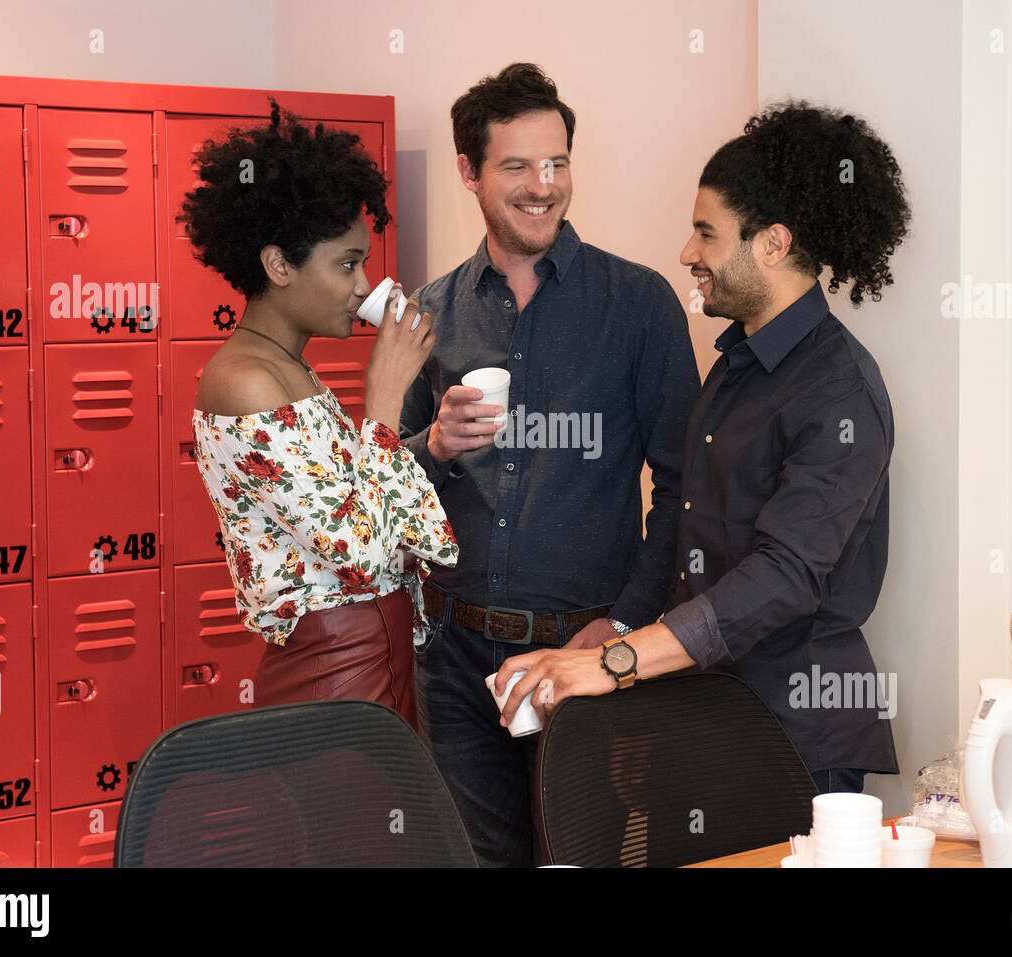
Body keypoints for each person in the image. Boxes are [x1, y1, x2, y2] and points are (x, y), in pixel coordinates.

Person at [494, 101, 912, 796]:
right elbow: (688, 524)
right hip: (707, 715)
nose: (688, 253)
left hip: (795, 734)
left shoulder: (840, 391)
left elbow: (782, 575)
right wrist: (621, 633)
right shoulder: (734, 366)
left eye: (705, 233)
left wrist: (622, 660)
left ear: (773, 244)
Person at [399, 64, 701, 866]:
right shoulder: (428, 312)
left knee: (581, 857)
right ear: (469, 171)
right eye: (517, 166)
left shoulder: (639, 305)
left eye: (557, 163)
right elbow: (382, 487)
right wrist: (431, 446)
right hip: (457, 663)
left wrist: (625, 623)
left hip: (584, 653)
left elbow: (684, 487)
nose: (544, 186)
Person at [185, 99, 458, 730]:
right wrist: (384, 394)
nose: (365, 285)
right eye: (346, 263)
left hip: (371, 650)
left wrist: (432, 444)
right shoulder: (244, 383)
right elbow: (357, 549)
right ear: (279, 265)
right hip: (331, 667)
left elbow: (353, 495)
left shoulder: (291, 367)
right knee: (350, 827)